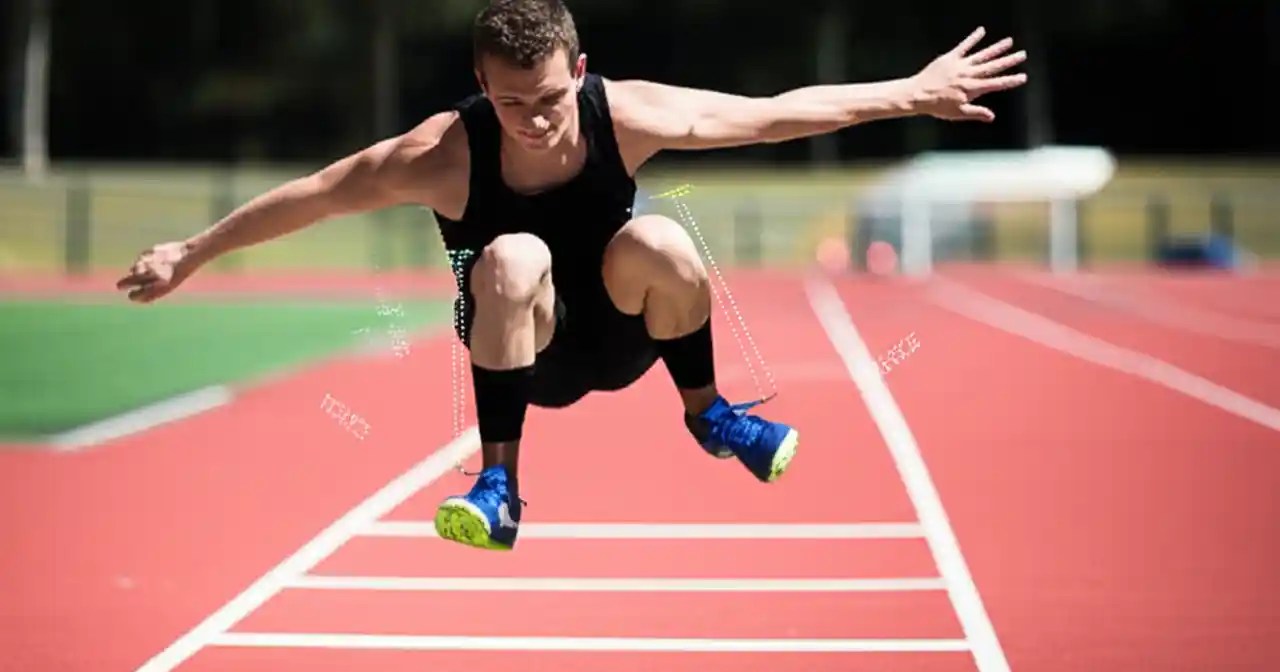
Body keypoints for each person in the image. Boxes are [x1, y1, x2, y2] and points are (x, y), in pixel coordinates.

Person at [115, 0, 1026, 552]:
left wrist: (909, 92)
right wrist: (188, 253)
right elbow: (315, 196)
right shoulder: (444, 152)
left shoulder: (620, 113)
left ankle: (712, 415)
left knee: (663, 238)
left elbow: (770, 115)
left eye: (549, 98)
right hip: (529, 343)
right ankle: (500, 486)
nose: (536, 120)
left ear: (578, 71)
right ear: (479, 81)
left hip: (629, 329)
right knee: (511, 254)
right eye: (510, 102)